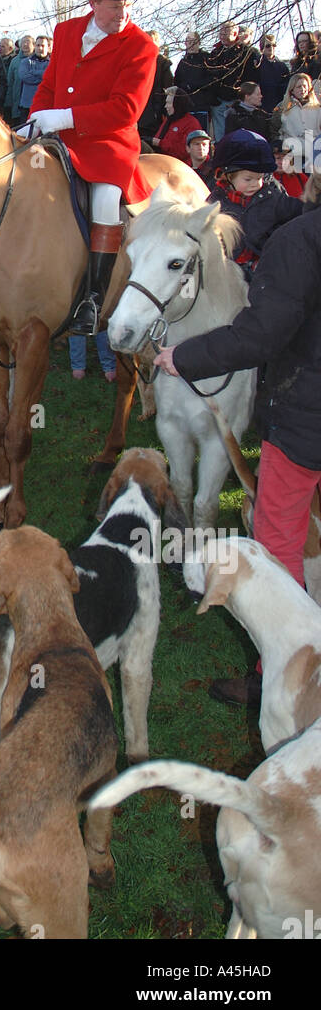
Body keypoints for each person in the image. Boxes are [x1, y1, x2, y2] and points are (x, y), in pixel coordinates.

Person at [154, 198, 321, 705]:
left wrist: (184, 356)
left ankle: (284, 672)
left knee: (278, 540)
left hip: (307, 417)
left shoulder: (301, 239)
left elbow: (262, 334)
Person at [23, 0, 159, 335]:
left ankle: (93, 299)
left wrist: (64, 118)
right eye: (115, 5)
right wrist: (37, 118)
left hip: (108, 143)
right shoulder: (66, 32)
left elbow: (126, 109)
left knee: (103, 201)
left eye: (128, 5)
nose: (123, 13)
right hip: (57, 136)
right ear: (94, 4)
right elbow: (49, 84)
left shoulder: (141, 46)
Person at [206, 129, 304, 278]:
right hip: (227, 273)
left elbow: (300, 212)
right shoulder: (215, 204)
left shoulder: (272, 197)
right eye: (248, 179)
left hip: (266, 272)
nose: (256, 184)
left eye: (260, 178)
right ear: (228, 177)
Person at [151, 86, 200, 158]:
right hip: (163, 160)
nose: (165, 106)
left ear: (177, 104)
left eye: (168, 103)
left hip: (180, 165)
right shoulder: (169, 120)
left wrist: (159, 143)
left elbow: (184, 151)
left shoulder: (191, 124)